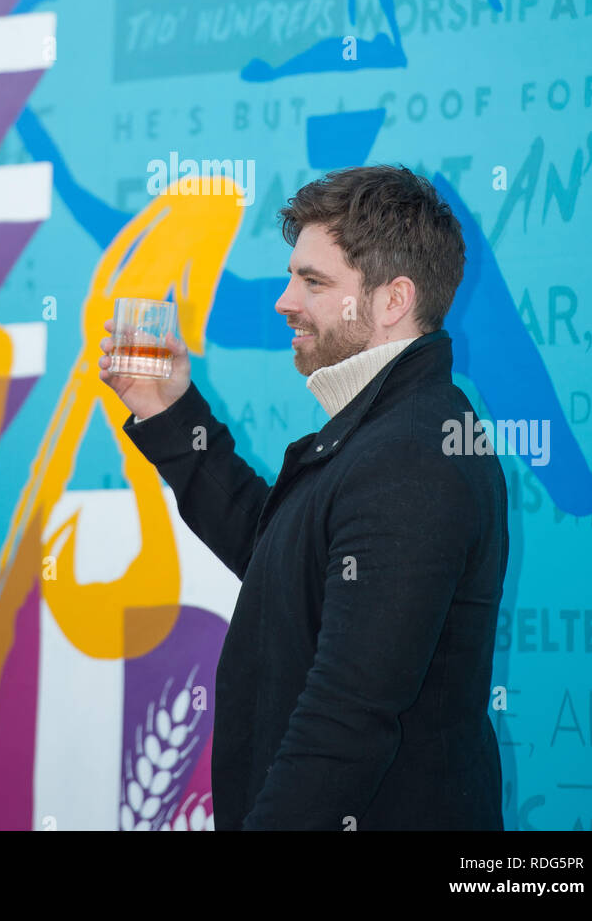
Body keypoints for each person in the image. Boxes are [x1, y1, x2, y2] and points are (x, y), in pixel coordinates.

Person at [99, 164, 509, 831]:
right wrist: (166, 408)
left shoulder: (413, 452)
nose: (283, 301)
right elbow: (273, 554)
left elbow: (345, 718)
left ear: (391, 301)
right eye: (293, 276)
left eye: (312, 282)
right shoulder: (382, 432)